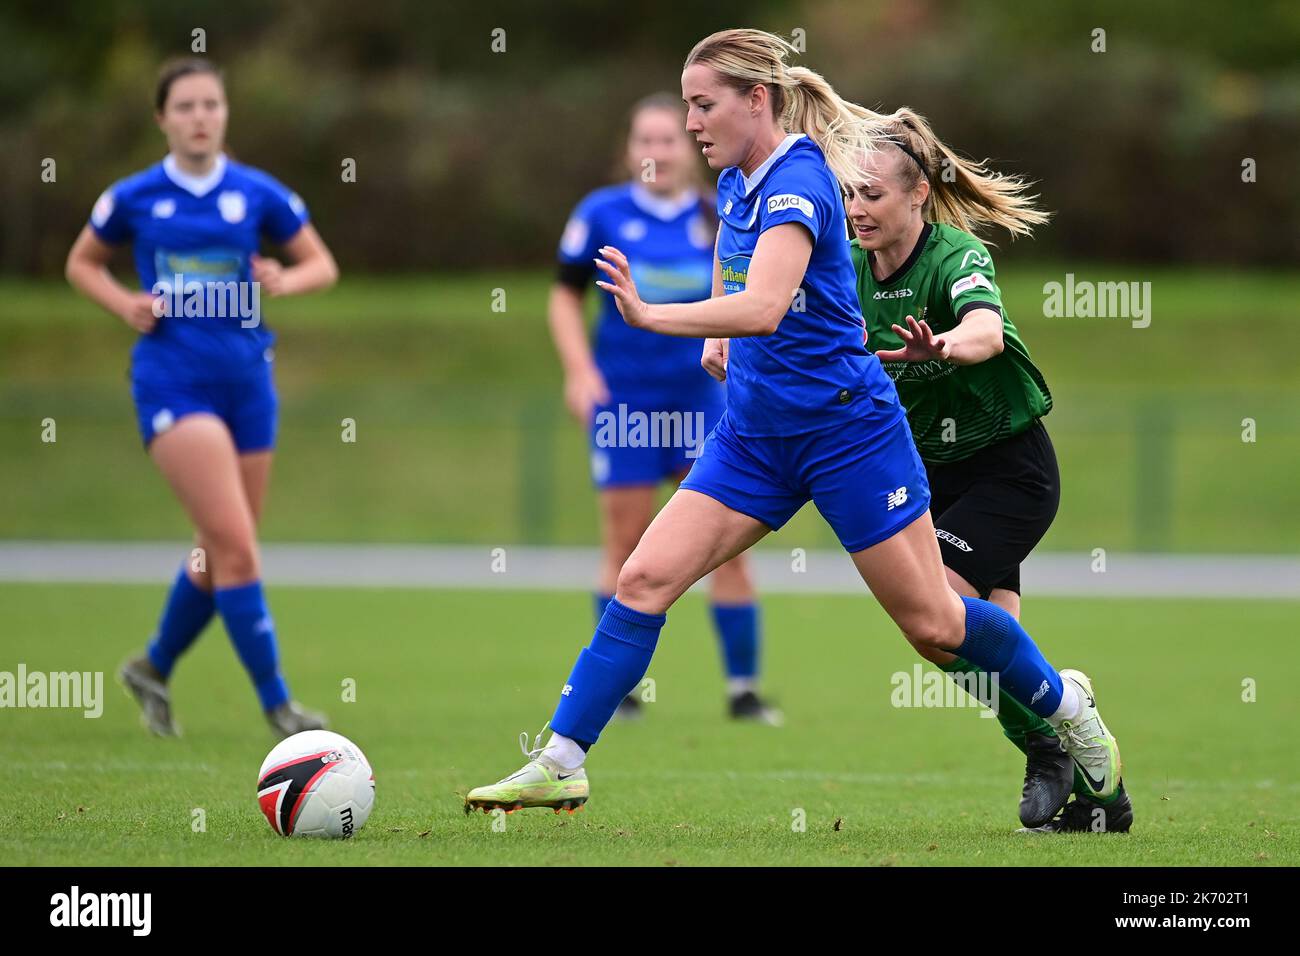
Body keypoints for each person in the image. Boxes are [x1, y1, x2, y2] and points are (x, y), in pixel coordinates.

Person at [464, 29, 1122, 821]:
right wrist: (716, 334)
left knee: (936, 624)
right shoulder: (738, 181)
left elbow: (767, 303)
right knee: (641, 579)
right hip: (753, 440)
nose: (691, 123)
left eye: (703, 106)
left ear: (757, 100)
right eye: (685, 106)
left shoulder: (801, 181)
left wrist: (653, 315)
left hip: (848, 436)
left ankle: (1068, 711)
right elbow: (735, 265)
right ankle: (562, 761)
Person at [846, 108, 1132, 832]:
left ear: (917, 194)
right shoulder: (847, 268)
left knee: (935, 609)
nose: (856, 209)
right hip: (927, 473)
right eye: (849, 193)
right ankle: (1097, 793)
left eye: (872, 194)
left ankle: (1058, 723)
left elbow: (986, 330)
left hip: (1009, 468)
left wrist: (941, 346)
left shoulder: (954, 256)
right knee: (957, 641)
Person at [64, 58, 338, 738]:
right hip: (173, 384)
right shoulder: (134, 196)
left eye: (210, 105)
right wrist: (122, 301)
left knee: (218, 549)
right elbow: (81, 263)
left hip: (248, 384)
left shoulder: (257, 192)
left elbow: (322, 265)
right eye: (184, 106)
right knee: (238, 549)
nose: (199, 117)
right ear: (162, 118)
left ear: (225, 114)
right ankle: (281, 707)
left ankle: (152, 667)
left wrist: (283, 277)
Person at [550, 92, 779, 724]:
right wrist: (579, 371)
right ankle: (618, 689)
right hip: (624, 403)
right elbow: (564, 298)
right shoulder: (600, 213)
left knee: (726, 542)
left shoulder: (719, 212)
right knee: (625, 546)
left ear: (688, 148)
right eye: (644, 140)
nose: (657, 151)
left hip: (701, 401)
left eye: (668, 139)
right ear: (629, 150)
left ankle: (744, 689)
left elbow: (749, 297)